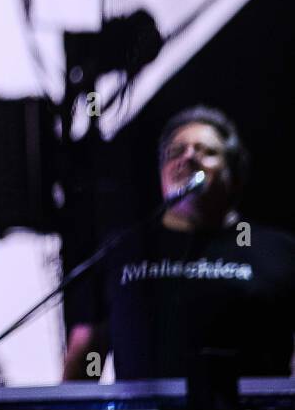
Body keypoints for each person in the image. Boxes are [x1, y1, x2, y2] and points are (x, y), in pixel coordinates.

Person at [63, 106, 295, 381]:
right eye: (176, 152)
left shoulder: (279, 250)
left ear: (233, 174)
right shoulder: (120, 250)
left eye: (206, 152)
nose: (188, 158)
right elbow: (84, 357)